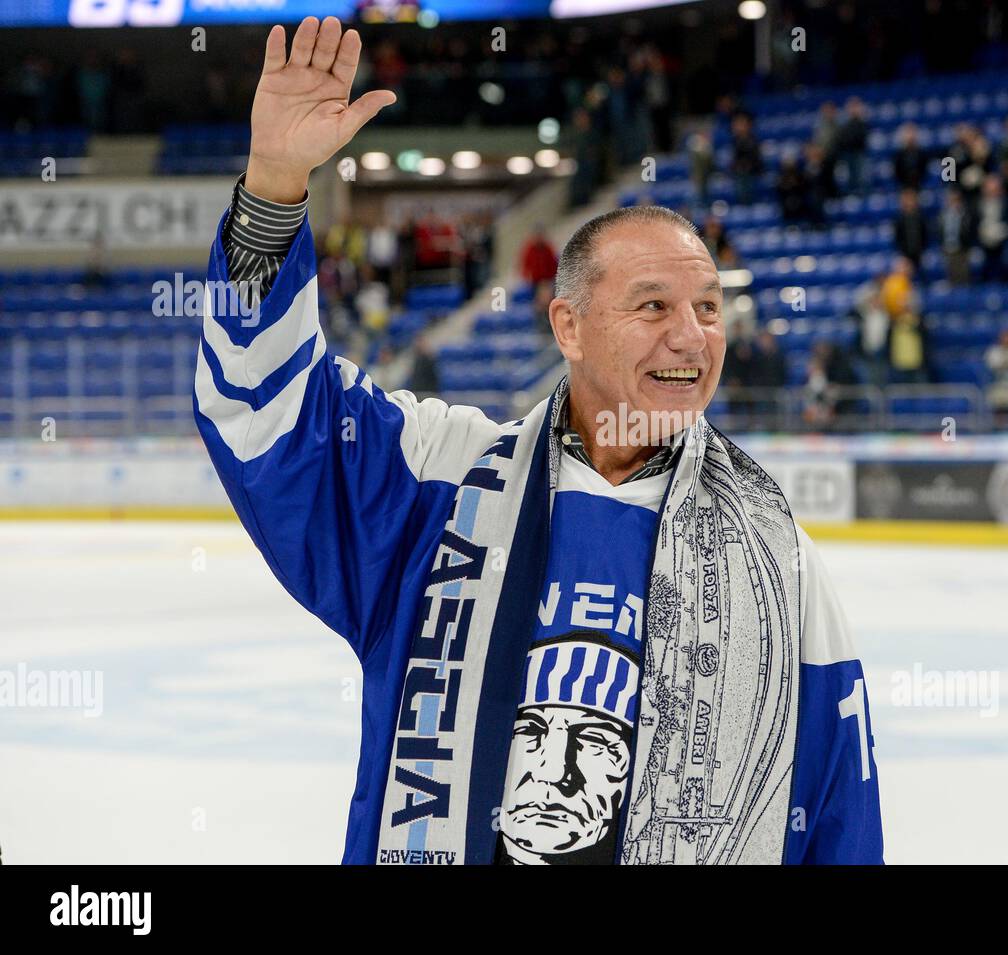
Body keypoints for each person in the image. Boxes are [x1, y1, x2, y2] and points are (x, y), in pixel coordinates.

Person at [193, 17, 883, 867]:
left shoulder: (777, 556)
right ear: (569, 325)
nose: (692, 336)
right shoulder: (440, 481)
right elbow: (268, 413)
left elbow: (840, 817)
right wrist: (272, 188)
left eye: (708, 307)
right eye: (653, 305)